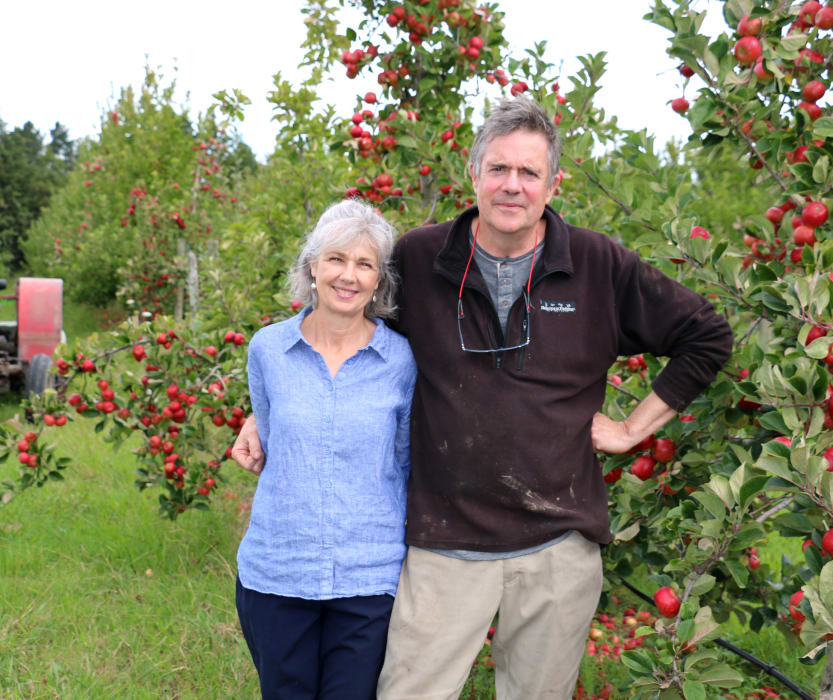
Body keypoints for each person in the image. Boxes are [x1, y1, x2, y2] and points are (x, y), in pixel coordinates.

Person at [235, 98, 732, 699]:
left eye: (529, 172)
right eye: (498, 168)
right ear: (473, 175)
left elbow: (706, 335)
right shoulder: (421, 258)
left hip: (557, 544)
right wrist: (276, 412)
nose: (512, 185)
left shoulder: (597, 265)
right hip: (444, 542)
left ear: (553, 184)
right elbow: (344, 326)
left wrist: (632, 430)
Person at [233, 200, 416, 700]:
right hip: (278, 570)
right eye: (336, 259)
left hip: (367, 576)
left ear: (379, 280)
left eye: (365, 264)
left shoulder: (402, 360)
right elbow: (273, 440)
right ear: (311, 266)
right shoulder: (267, 349)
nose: (348, 275)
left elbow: (403, 461)